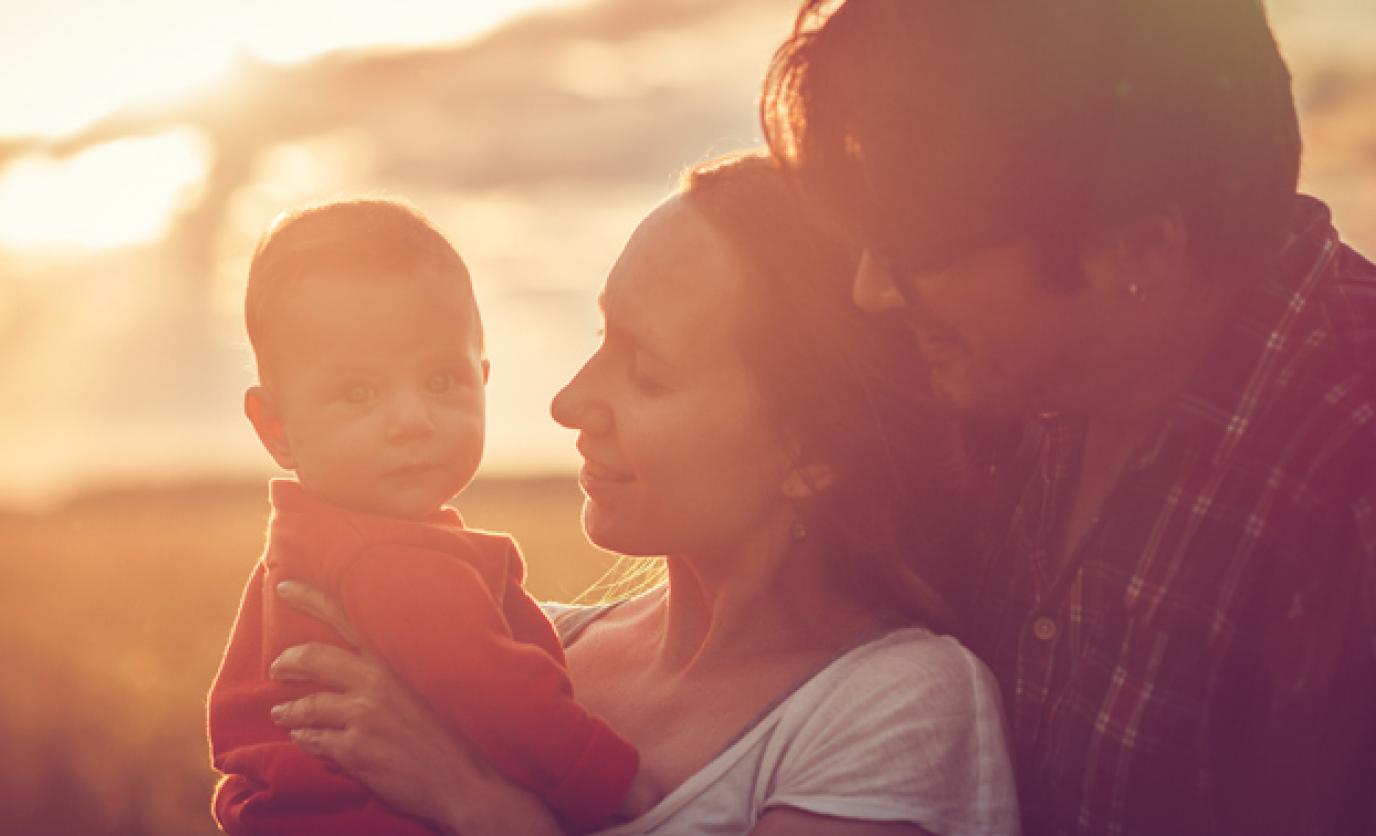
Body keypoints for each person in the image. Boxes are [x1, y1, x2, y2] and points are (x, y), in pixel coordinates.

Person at [263, 152, 1021, 835]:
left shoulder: (894, 705)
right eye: (601, 340)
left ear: (807, 453)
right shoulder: (521, 643)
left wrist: (474, 804)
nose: (568, 402)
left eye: (647, 372)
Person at [761, 1, 1376, 833]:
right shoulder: (996, 371)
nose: (870, 290)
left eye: (915, 247)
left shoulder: (1346, 491)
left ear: (1140, 251)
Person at [207, 199, 643, 835]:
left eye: (442, 381)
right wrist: (611, 781)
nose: (412, 419)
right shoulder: (385, 555)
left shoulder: (315, 536)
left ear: (483, 379)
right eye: (359, 392)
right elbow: (497, 692)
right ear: (277, 427)